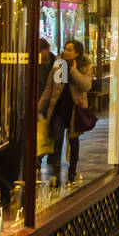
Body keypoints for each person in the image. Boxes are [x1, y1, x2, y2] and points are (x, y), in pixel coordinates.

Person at [38, 39, 94, 187]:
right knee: (57, 140)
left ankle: (72, 171)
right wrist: (39, 107)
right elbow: (50, 88)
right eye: (65, 49)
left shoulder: (83, 65)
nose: (66, 52)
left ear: (77, 52)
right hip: (59, 109)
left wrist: (74, 71)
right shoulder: (59, 65)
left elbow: (86, 85)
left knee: (74, 142)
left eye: (70, 49)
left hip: (75, 110)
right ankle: (54, 173)